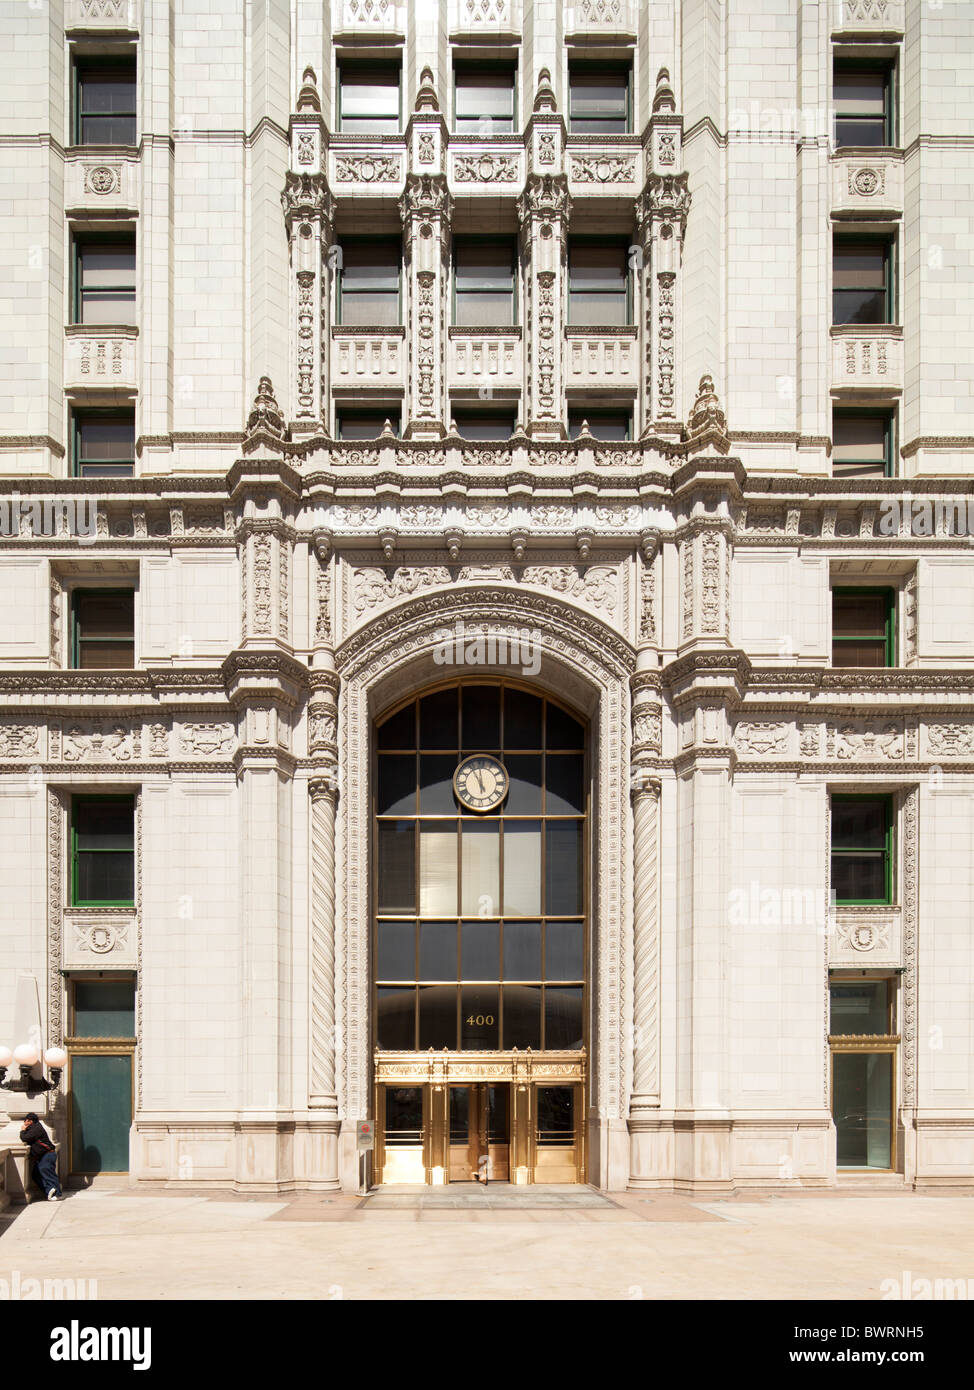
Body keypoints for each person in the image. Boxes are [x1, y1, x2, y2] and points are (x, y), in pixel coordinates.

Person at [20, 1112, 62, 1201]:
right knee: (35, 1174)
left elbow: (25, 1138)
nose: (24, 1123)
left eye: (25, 1121)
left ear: (30, 1121)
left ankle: (57, 1194)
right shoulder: (34, 1127)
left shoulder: (36, 1128)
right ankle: (50, 1190)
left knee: (47, 1172)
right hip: (42, 1156)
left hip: (48, 1154)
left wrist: (22, 1130)